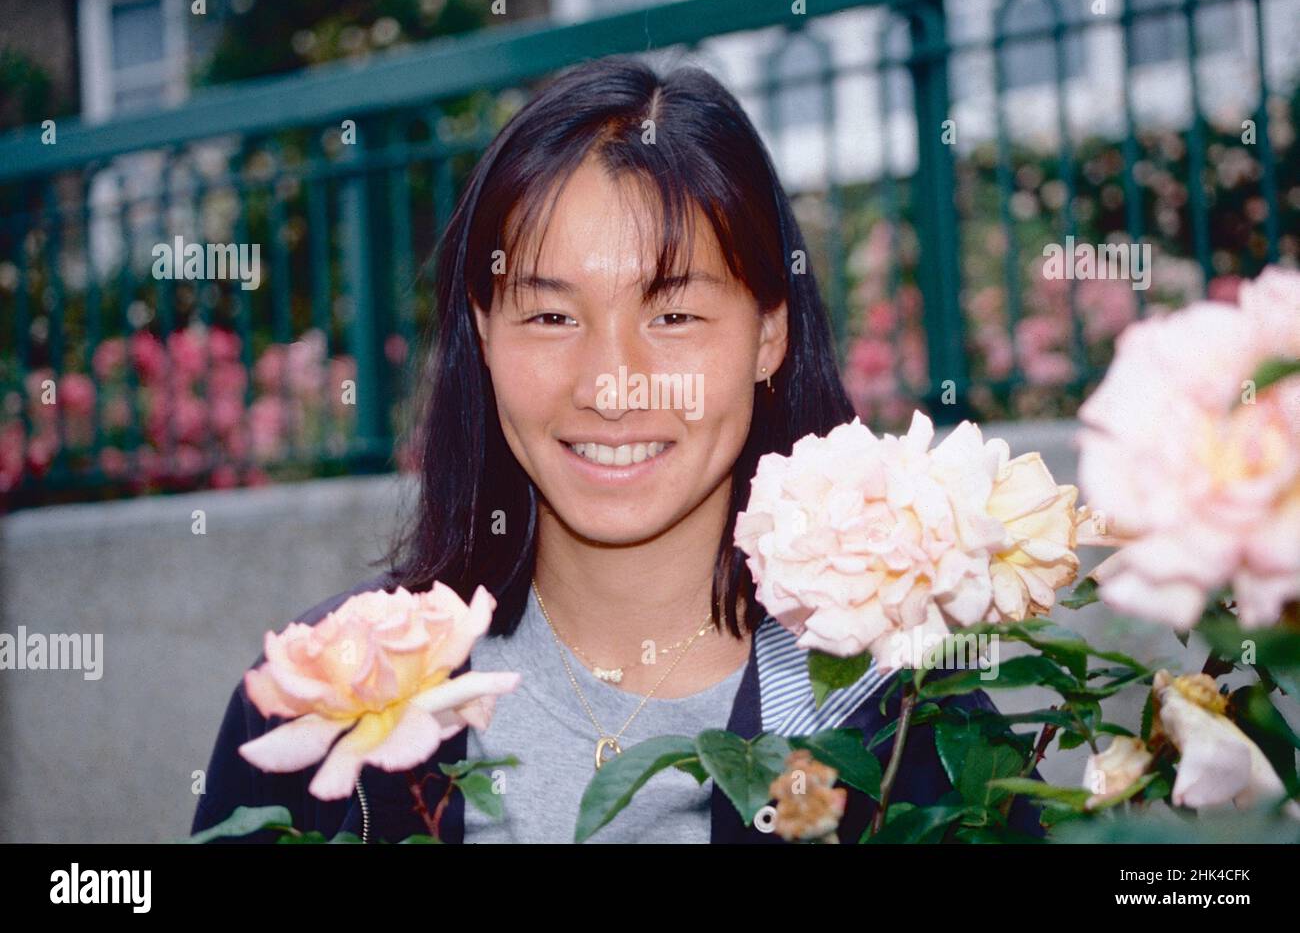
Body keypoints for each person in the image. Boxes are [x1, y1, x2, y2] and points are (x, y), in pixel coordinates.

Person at [191, 55, 1044, 844]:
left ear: (769, 335)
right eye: (551, 315)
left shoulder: (899, 721)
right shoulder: (326, 690)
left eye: (673, 315)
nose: (611, 384)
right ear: (484, 333)